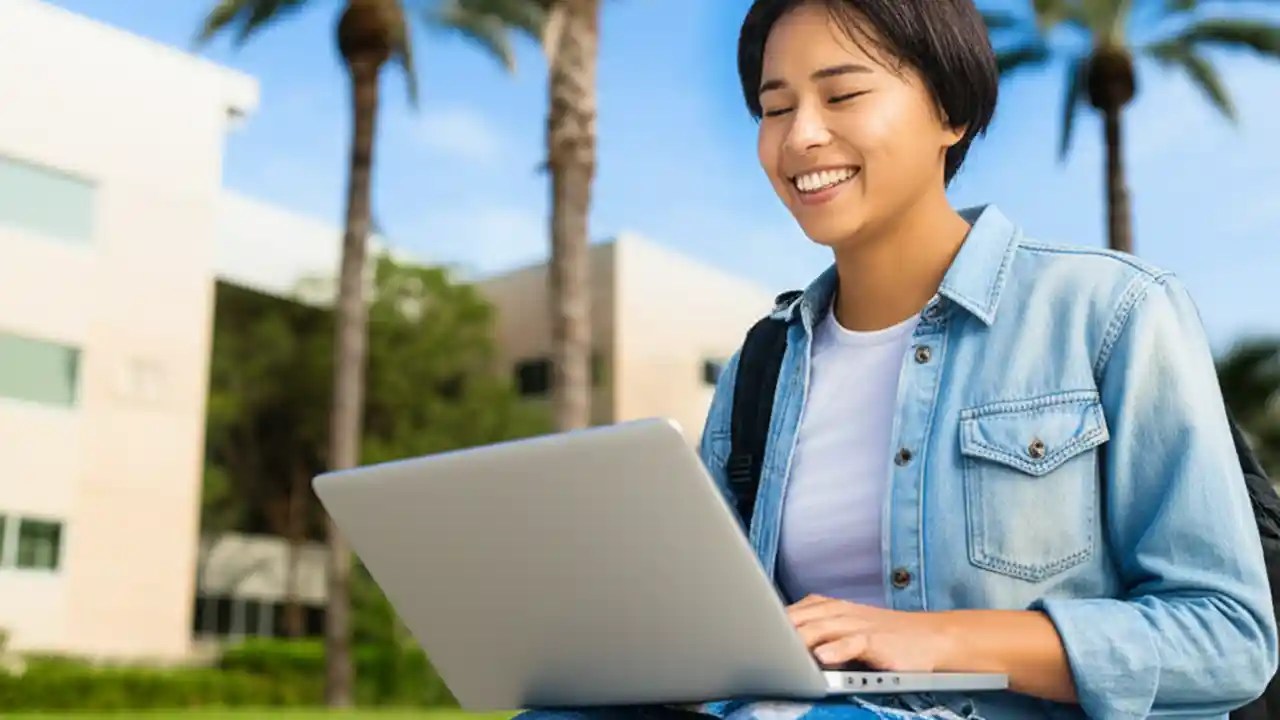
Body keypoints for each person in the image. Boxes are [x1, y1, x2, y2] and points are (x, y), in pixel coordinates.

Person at [515, 1, 1278, 718]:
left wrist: (938, 640)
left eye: (841, 96)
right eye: (775, 109)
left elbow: (1228, 636)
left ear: (951, 112)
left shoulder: (1110, 312)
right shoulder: (761, 367)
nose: (800, 136)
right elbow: (717, 635)